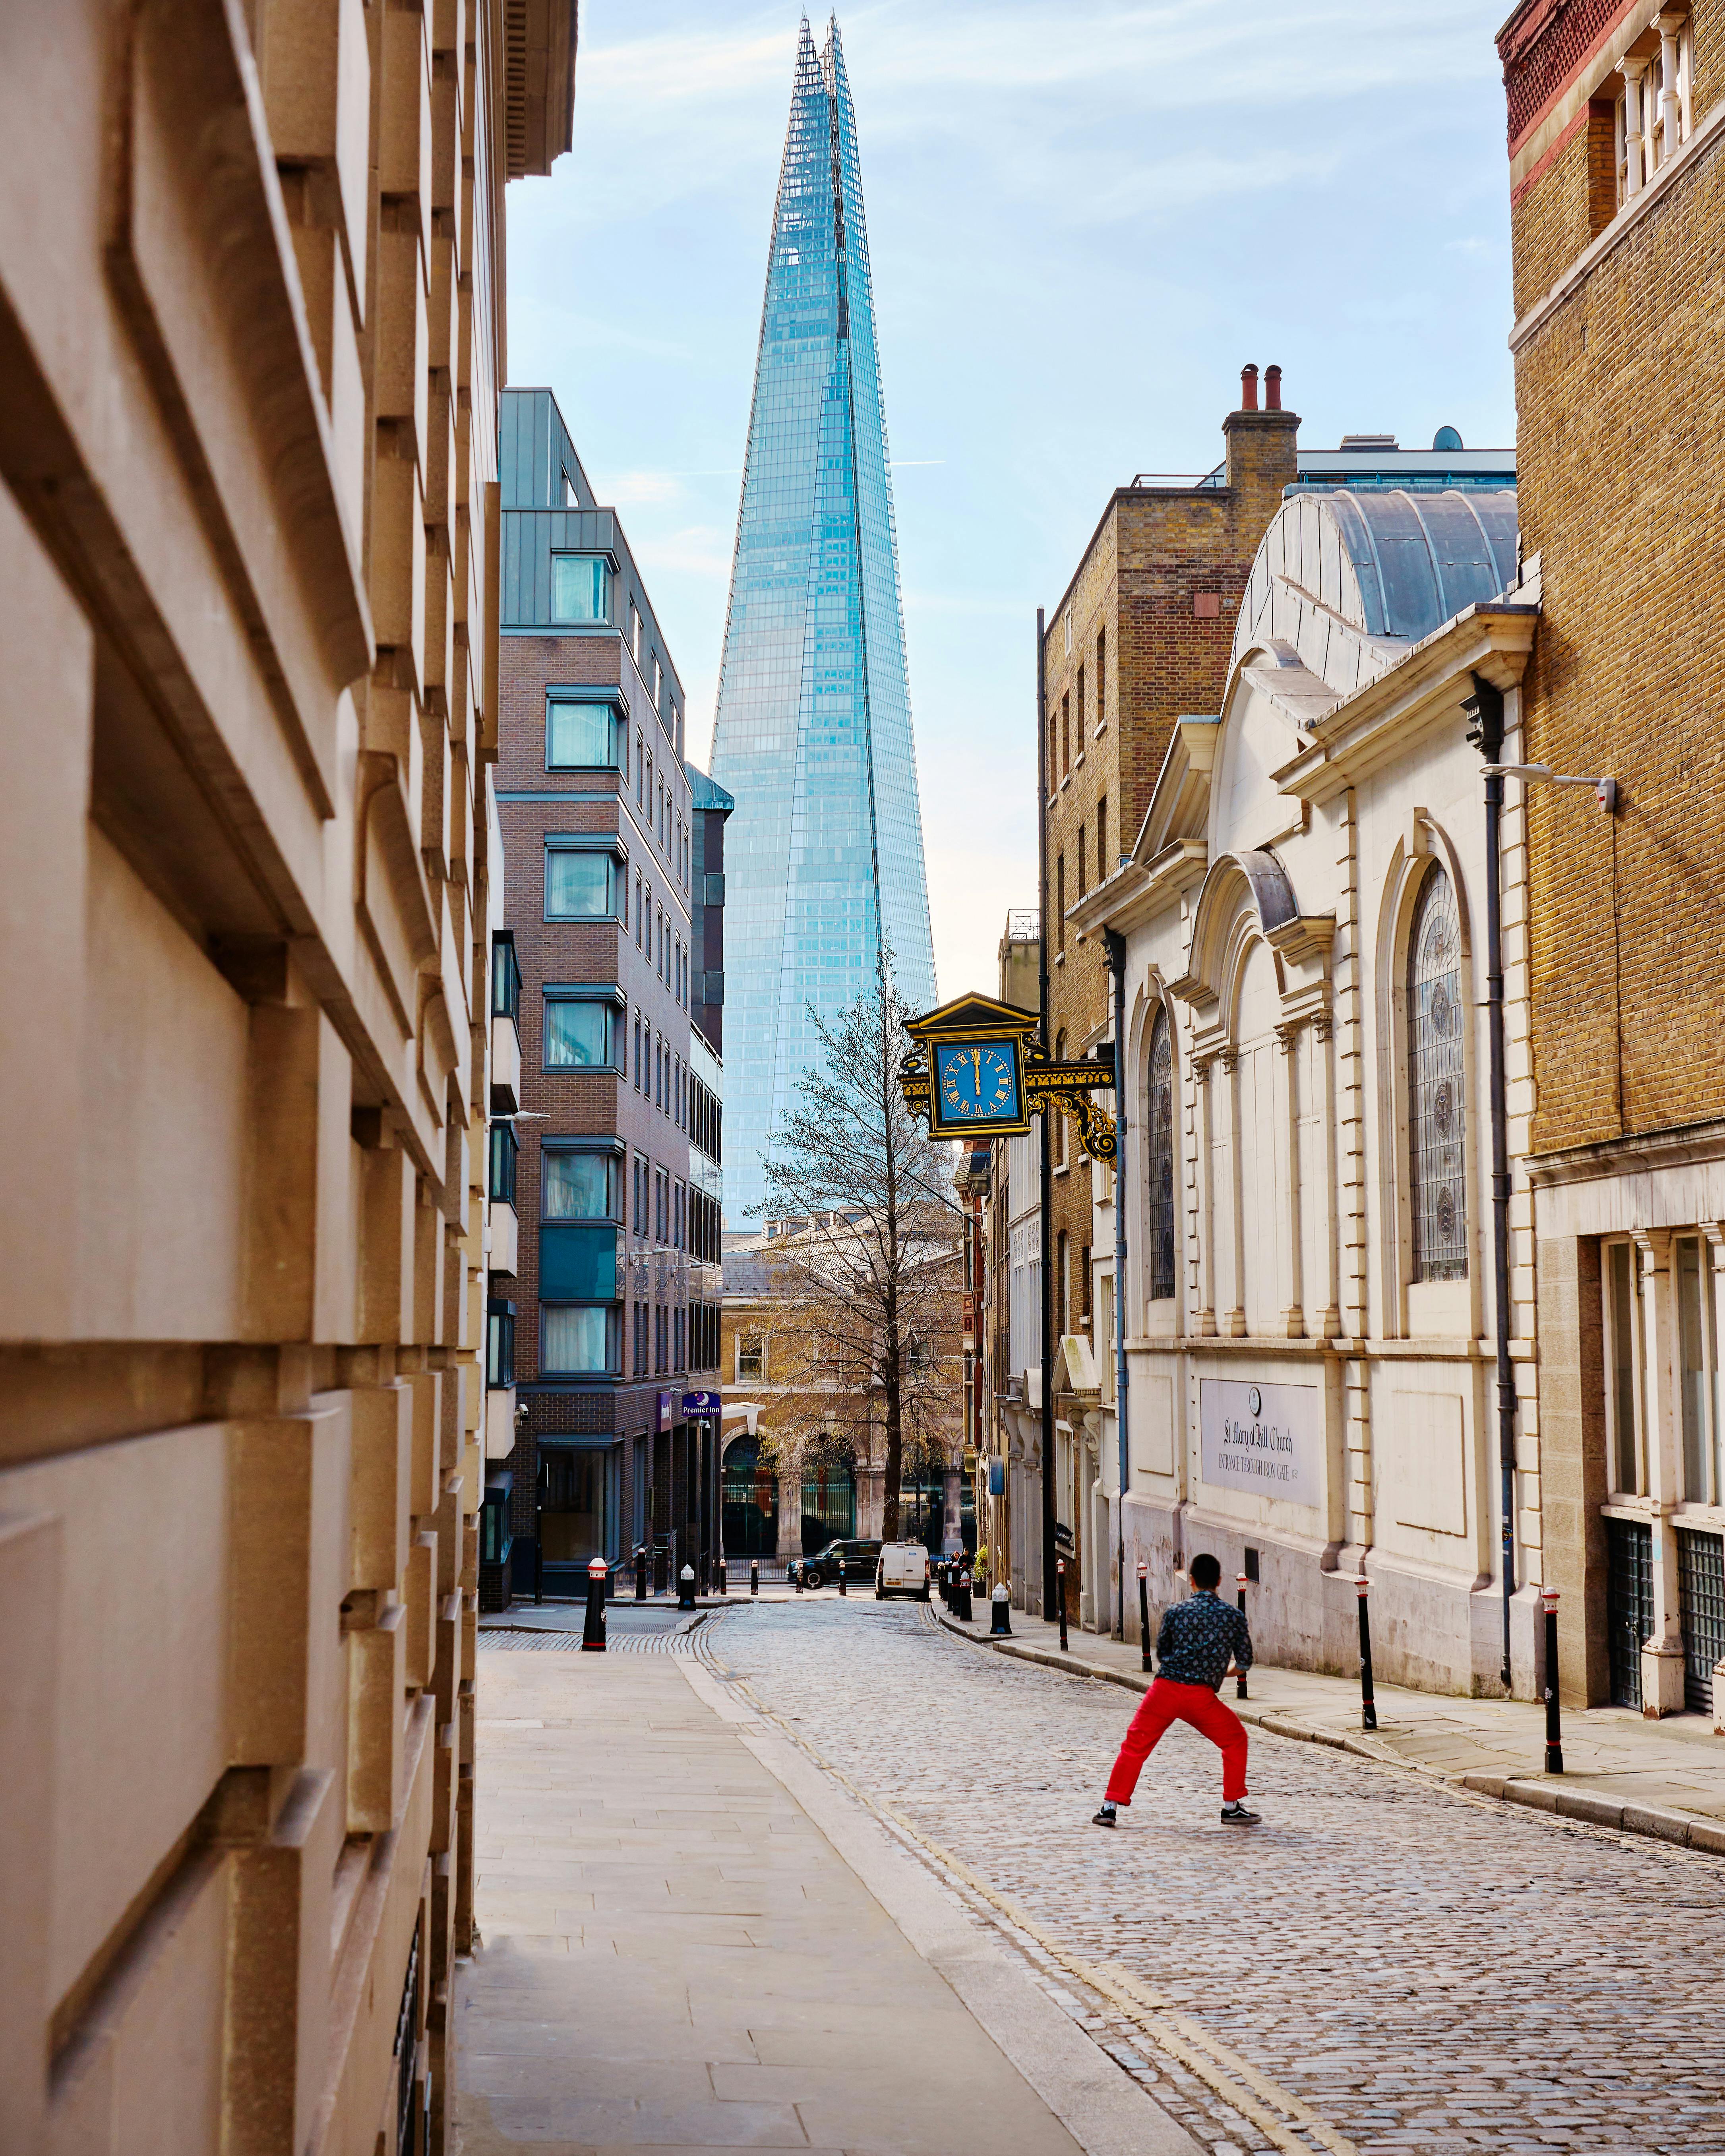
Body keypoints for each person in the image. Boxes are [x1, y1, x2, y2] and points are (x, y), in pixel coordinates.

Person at [1092, 1553, 1260, 1828]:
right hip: (1201, 1696)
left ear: (1191, 1581)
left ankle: (1109, 1807)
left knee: (1135, 1745)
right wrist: (1219, 1672)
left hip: (1165, 1691)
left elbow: (1163, 1653)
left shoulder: (1175, 1612)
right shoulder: (1233, 1616)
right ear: (1219, 1582)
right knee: (1235, 1739)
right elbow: (1244, 1664)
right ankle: (1231, 1807)